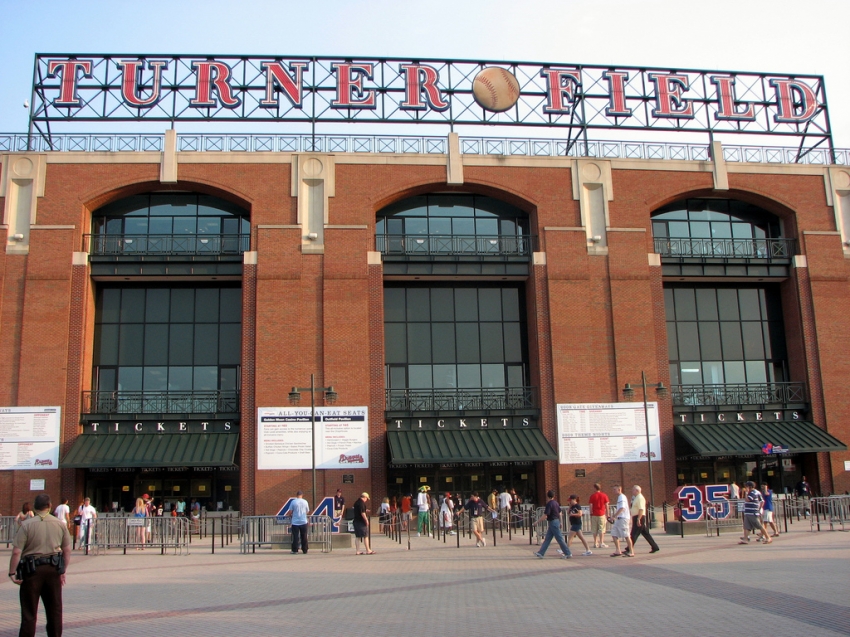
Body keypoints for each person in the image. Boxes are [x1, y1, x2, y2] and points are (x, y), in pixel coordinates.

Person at [8, 493, 72, 637]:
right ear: (49, 506)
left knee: (29, 612)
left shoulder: (26, 525)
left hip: (32, 571)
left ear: (35, 507)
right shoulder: (59, 524)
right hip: (53, 568)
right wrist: (62, 570)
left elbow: (17, 552)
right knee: (54, 610)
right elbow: (67, 550)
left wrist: (12, 573)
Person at [533, 490, 571, 559]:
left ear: (547, 496)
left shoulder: (549, 504)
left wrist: (537, 522)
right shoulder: (556, 503)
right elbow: (560, 513)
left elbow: (545, 515)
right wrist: (561, 522)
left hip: (553, 522)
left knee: (559, 538)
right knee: (548, 538)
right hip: (555, 522)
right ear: (554, 496)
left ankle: (568, 553)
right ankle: (541, 552)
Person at [629, 485, 660, 554]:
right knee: (646, 533)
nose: (632, 491)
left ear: (637, 491)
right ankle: (655, 546)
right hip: (636, 516)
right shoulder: (636, 498)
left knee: (634, 533)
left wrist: (638, 519)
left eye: (633, 490)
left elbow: (641, 509)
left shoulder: (640, 498)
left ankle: (629, 548)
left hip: (639, 517)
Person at [609, 485, 634, 557]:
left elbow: (622, 508)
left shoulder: (622, 497)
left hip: (623, 518)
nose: (613, 491)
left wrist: (614, 516)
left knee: (626, 535)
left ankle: (631, 551)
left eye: (614, 489)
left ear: (619, 489)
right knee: (614, 533)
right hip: (619, 519)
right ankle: (618, 550)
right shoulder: (620, 497)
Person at [588, 483, 609, 549]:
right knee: (601, 528)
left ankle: (595, 542)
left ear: (595, 488)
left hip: (594, 514)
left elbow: (591, 505)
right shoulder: (604, 495)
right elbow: (606, 505)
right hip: (601, 513)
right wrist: (607, 514)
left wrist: (591, 512)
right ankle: (601, 542)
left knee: (594, 529)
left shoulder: (592, 496)